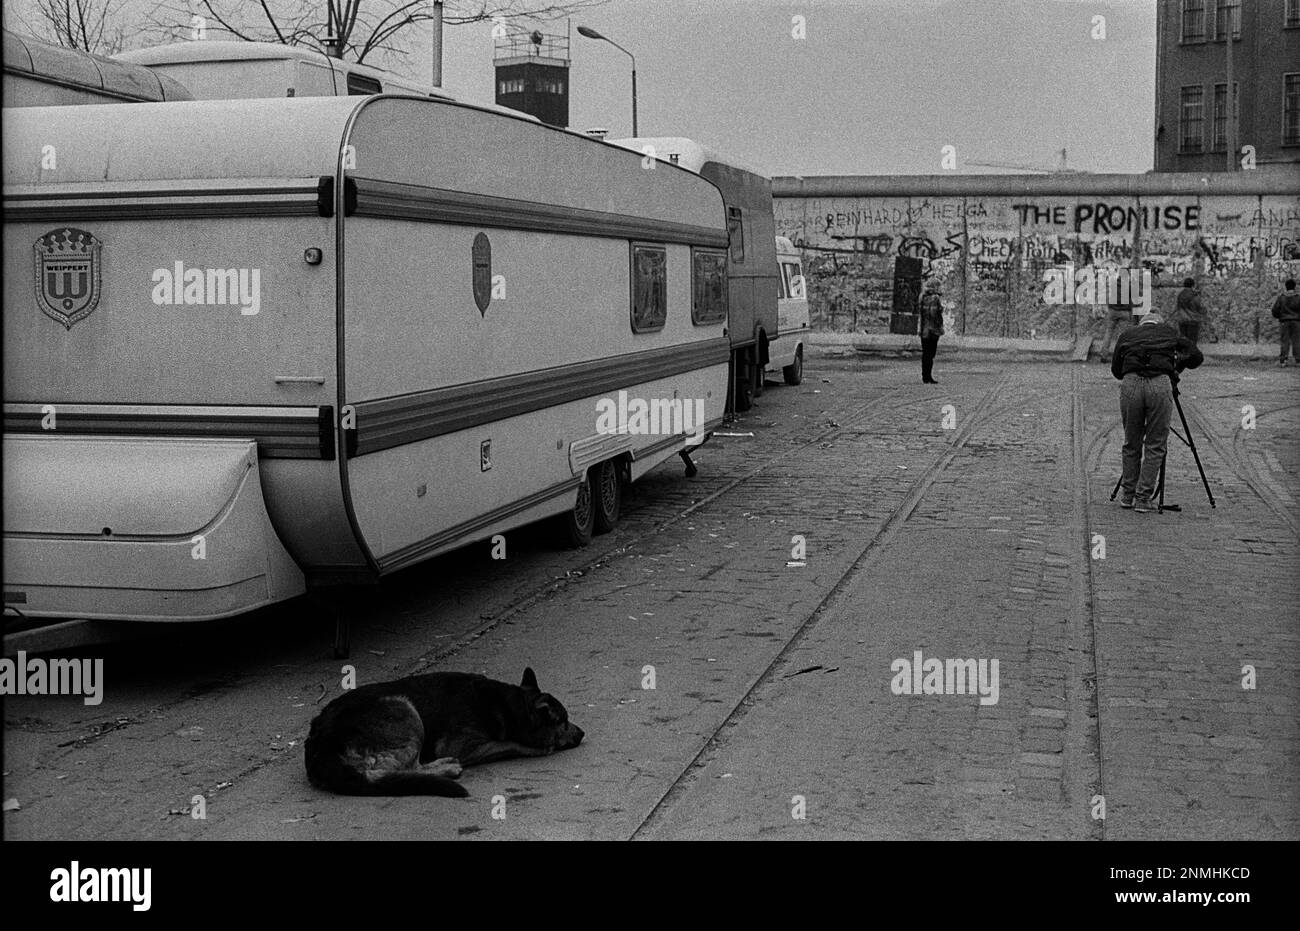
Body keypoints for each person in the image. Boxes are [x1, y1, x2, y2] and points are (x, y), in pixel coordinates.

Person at [1111, 312, 1203, 512]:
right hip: (1159, 384)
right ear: (1159, 323)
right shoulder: (1168, 332)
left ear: (1142, 324)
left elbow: (1116, 370)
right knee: (1155, 443)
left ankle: (1127, 496)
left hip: (1131, 383)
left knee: (1131, 442)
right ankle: (1143, 498)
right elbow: (1196, 356)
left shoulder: (1127, 335)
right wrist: (1176, 366)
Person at [1270, 278, 1300, 366]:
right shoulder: (1298, 298)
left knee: (1284, 341)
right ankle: (1298, 361)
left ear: (1286, 287)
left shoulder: (1281, 298)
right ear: (1294, 287)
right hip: (1297, 321)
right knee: (1297, 341)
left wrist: (1281, 317)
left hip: (1284, 322)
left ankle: (1283, 361)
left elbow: (1275, 310)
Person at [1169, 277, 1206, 346]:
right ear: (1193, 285)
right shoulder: (1194, 296)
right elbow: (1200, 307)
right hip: (1192, 320)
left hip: (1182, 320)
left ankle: (1184, 355)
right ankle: (1191, 355)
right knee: (1192, 342)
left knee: (1183, 341)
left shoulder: (1180, 295)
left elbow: (1177, 307)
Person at [919, 283, 944, 384]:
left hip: (924, 329)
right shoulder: (935, 298)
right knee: (931, 353)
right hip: (933, 330)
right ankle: (928, 376)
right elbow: (934, 313)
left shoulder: (922, 297)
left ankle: (925, 375)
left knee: (925, 354)